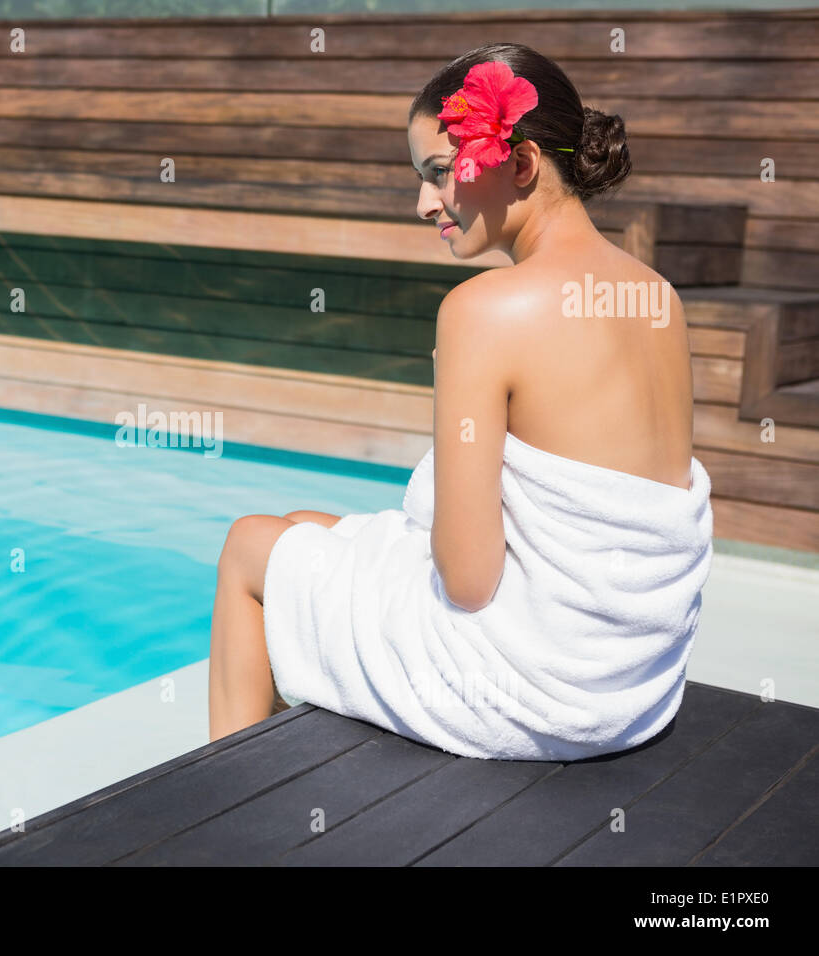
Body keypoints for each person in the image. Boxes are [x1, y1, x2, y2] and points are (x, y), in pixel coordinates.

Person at [208, 43, 713, 760]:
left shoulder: (485, 310)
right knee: (305, 526)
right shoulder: (655, 294)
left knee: (250, 546)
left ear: (522, 163)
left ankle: (220, 814)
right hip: (630, 681)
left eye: (440, 174)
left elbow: (470, 582)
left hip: (532, 690)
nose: (423, 203)